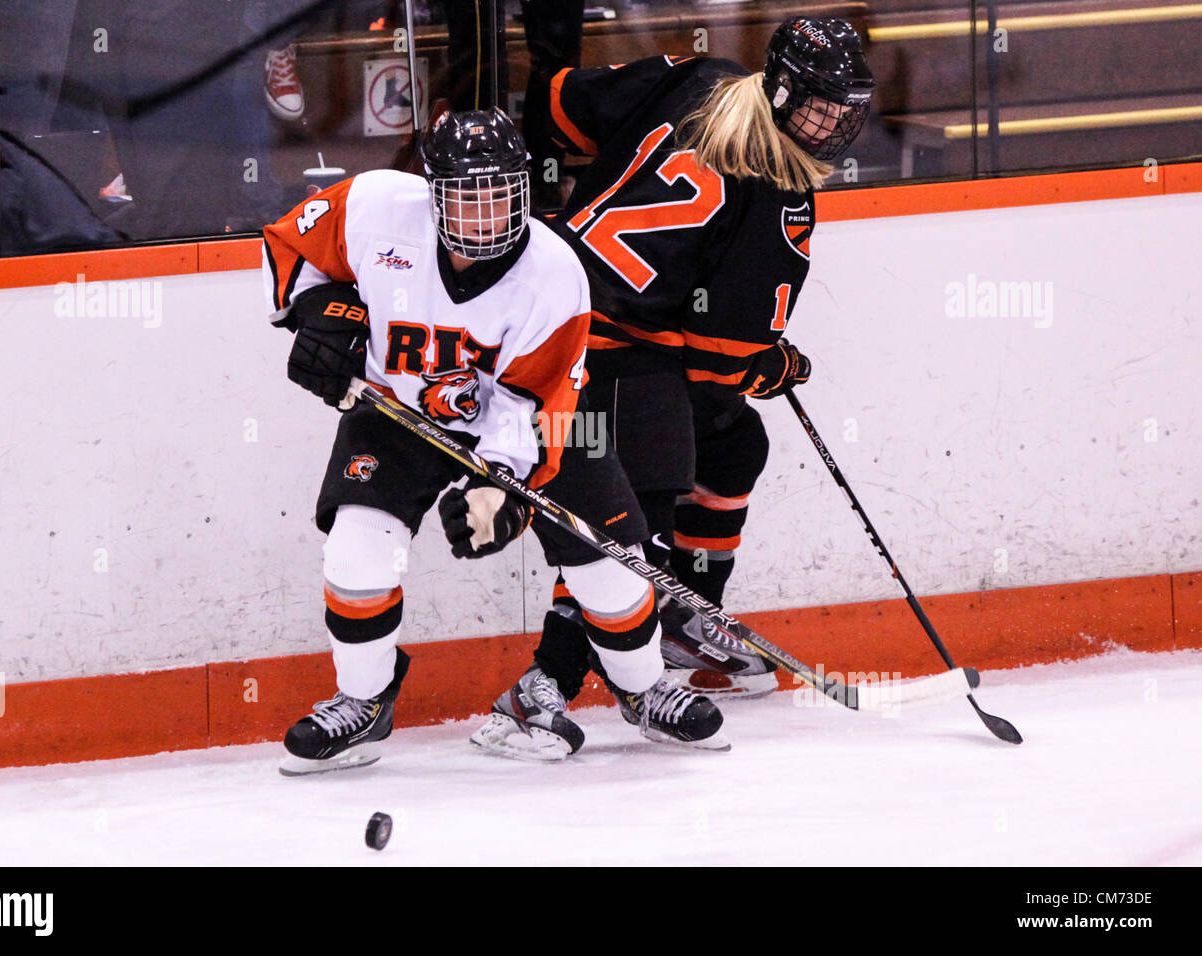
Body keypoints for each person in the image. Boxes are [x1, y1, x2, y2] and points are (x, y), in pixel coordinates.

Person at [261, 107, 730, 773]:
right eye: (465, 198)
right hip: (396, 408)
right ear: (432, 192)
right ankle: (363, 703)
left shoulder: (553, 273)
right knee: (356, 553)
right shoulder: (372, 207)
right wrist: (320, 312)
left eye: (499, 196)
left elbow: (536, 403)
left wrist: (496, 491)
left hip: (528, 418)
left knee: (612, 568)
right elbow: (289, 247)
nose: (484, 216)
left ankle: (643, 687)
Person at [471, 18, 875, 759]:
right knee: (627, 521)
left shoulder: (698, 77)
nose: (834, 126)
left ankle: (683, 618)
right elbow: (724, 364)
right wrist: (776, 366)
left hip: (537, 295)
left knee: (728, 447)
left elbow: (562, 107)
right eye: (820, 107)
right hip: (603, 344)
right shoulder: (782, 190)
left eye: (847, 110)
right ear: (782, 91)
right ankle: (540, 693)